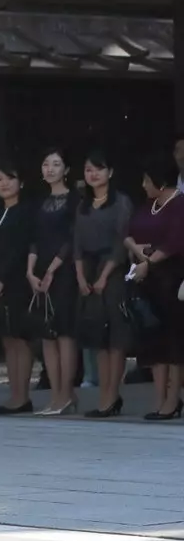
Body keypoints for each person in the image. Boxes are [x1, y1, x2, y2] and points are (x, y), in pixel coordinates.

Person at [126, 153, 184, 421]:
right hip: (148, 280)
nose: (143, 185)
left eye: (146, 180)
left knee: (174, 343)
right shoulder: (148, 206)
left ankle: (173, 401)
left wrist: (148, 261)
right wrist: (137, 251)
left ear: (159, 181)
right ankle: (159, 398)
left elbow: (174, 242)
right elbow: (129, 233)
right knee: (155, 342)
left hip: (171, 280)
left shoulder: (179, 205)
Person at [74, 151, 132, 418]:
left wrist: (104, 275)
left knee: (115, 337)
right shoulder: (83, 205)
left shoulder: (121, 202)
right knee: (98, 336)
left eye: (98, 169)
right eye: (88, 170)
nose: (93, 174)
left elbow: (121, 241)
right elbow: (76, 244)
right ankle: (102, 396)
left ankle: (112, 395)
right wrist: (80, 277)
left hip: (113, 271)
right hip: (87, 269)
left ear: (110, 172)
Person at [28, 148, 79, 415]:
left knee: (64, 332)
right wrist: (31, 270)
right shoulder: (40, 202)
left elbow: (72, 237)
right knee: (47, 334)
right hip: (40, 271)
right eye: (46, 163)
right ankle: (56, 393)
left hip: (64, 271)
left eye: (56, 164)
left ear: (66, 170)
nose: (50, 169)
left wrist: (52, 270)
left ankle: (65, 394)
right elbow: (34, 237)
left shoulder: (74, 199)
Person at [0, 166, 35, 414]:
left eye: (10, 178)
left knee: (20, 339)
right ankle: (13, 394)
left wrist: (4, 280)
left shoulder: (25, 212)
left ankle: (23, 396)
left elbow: (20, 249)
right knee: (6, 339)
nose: (4, 183)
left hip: (17, 283)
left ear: (21, 183)